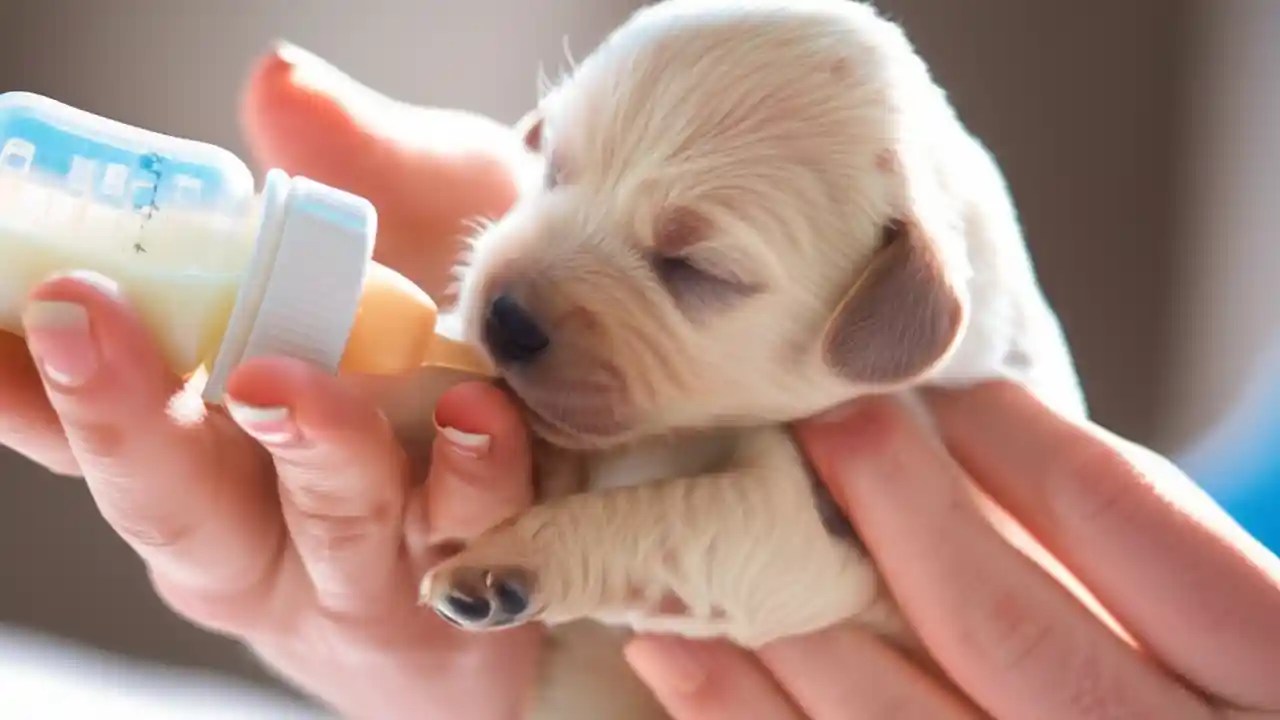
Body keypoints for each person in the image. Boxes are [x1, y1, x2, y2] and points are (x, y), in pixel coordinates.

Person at [2, 45, 1277, 719]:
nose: (518, 279)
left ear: (889, 316)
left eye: (693, 267)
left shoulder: (900, 392)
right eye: (551, 163)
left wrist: (562, 561)